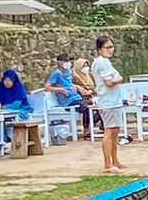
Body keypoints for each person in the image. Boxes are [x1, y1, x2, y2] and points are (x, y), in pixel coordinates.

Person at [91, 37, 127, 171]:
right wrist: (120, 79)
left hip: (114, 100)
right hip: (108, 101)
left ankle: (115, 160)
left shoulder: (106, 62)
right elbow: (109, 82)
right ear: (99, 49)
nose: (110, 50)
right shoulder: (101, 63)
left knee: (115, 132)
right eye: (107, 47)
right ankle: (107, 163)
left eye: (111, 47)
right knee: (109, 132)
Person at [45, 53, 89, 137]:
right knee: (85, 107)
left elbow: (69, 83)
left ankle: (94, 127)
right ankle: (86, 130)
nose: (68, 63)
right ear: (60, 63)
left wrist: (74, 86)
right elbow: (47, 87)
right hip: (67, 100)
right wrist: (61, 89)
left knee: (93, 105)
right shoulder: (57, 74)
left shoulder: (68, 72)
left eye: (69, 61)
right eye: (66, 61)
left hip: (75, 97)